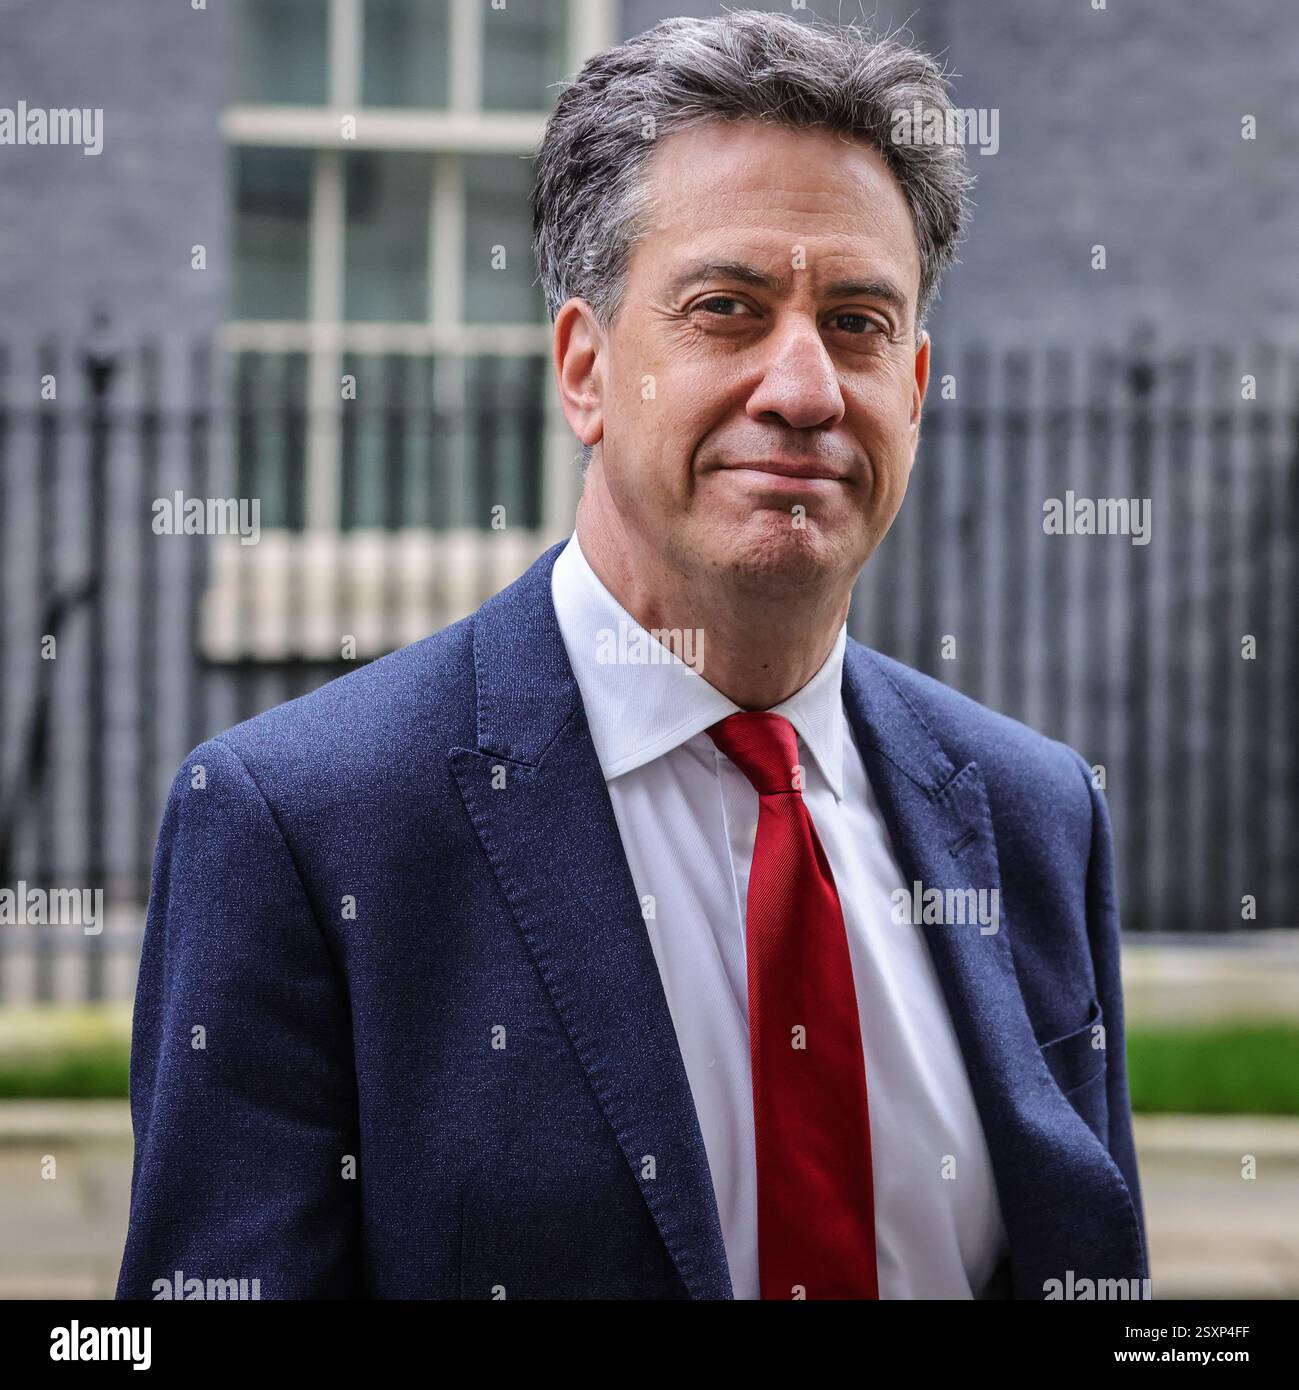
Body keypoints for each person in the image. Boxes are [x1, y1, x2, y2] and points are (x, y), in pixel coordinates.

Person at [116, 10, 1149, 1301]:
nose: (806, 386)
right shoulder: (303, 826)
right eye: (728, 307)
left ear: (918, 383)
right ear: (586, 368)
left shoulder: (1037, 814)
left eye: (858, 321)